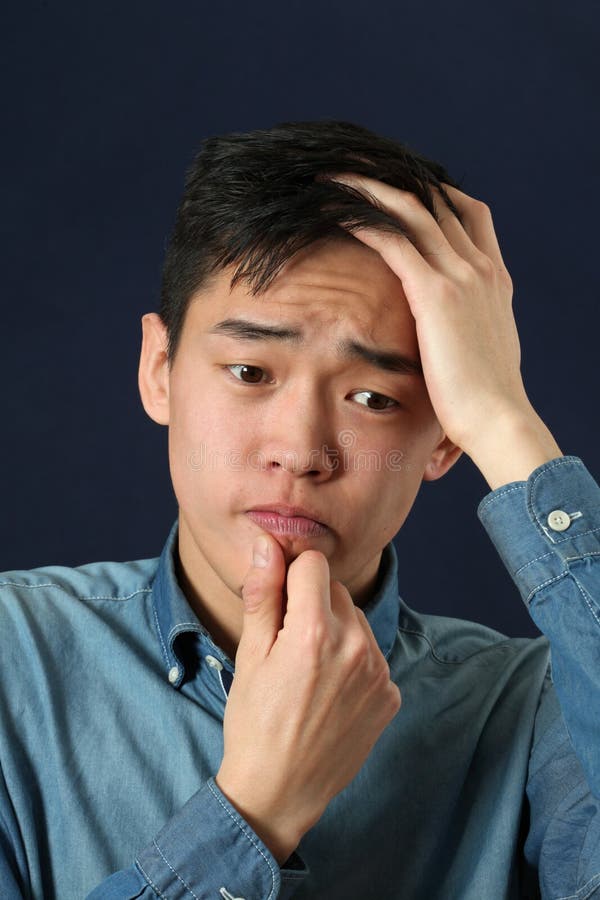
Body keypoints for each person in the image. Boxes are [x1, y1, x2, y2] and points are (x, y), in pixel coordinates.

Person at [1, 120, 598, 900]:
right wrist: (253, 810)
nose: (302, 449)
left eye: (374, 397)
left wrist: (504, 420)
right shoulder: (15, 657)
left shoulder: (533, 711)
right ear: (160, 372)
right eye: (250, 370)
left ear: (445, 440)